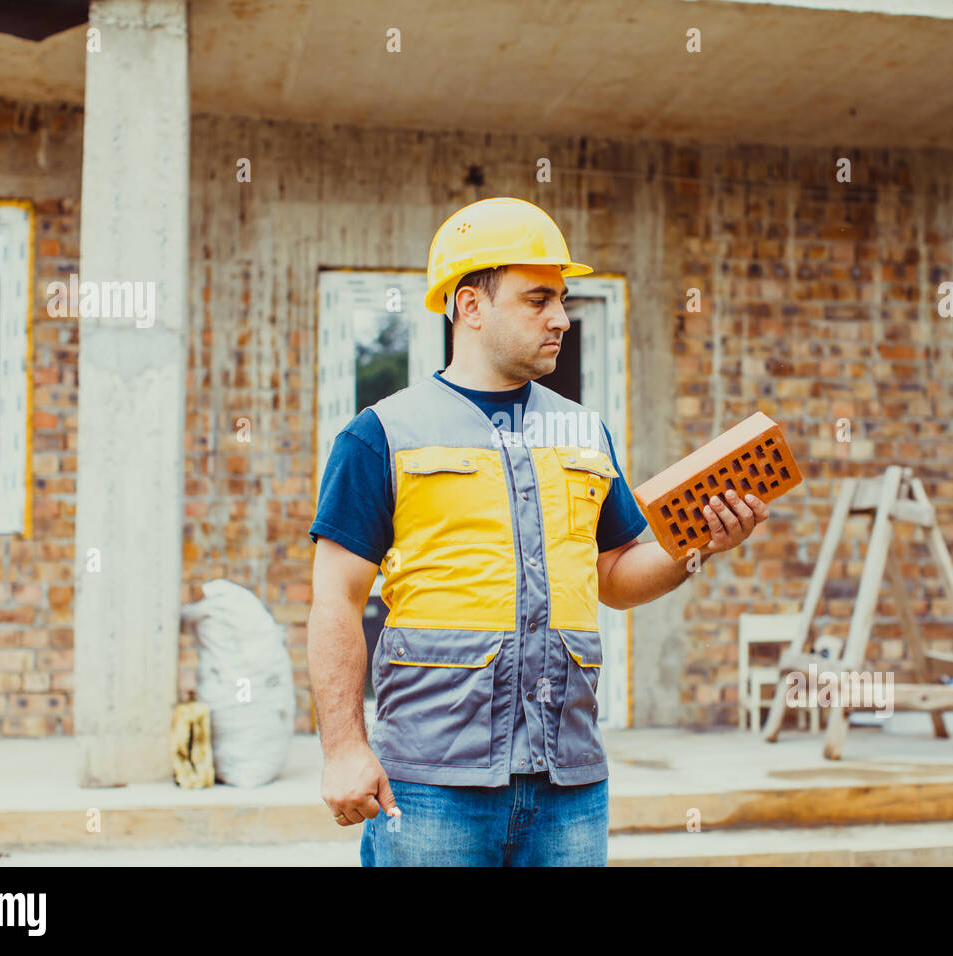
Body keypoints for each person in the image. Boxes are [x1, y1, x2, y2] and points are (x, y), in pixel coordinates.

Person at [306, 196, 769, 866]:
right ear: (470, 306)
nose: (561, 319)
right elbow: (335, 602)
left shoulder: (584, 431)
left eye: (563, 300)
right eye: (537, 300)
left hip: (569, 783)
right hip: (433, 786)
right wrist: (344, 748)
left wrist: (696, 546)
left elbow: (614, 576)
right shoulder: (381, 434)